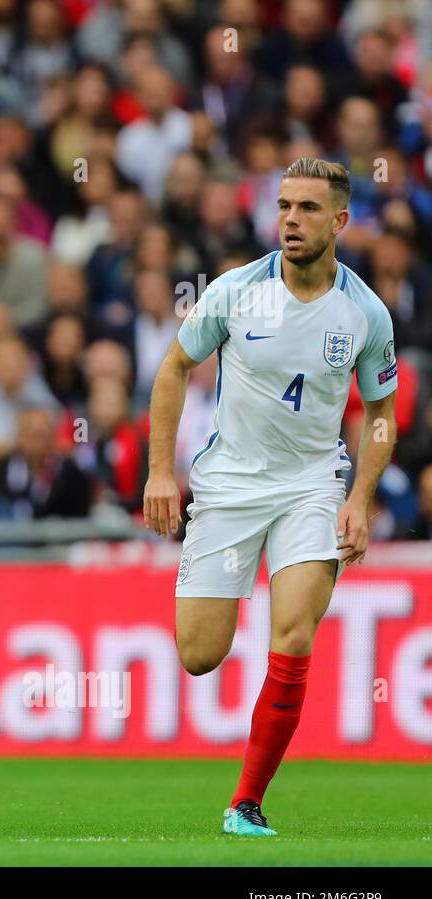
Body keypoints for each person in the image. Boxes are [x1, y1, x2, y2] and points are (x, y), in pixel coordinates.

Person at [143, 158, 399, 836]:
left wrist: (360, 498)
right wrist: (160, 471)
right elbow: (174, 367)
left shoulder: (365, 313)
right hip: (229, 485)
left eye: (309, 209)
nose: (291, 219)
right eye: (285, 205)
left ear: (340, 221)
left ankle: (246, 804)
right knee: (200, 655)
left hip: (312, 487)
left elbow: (381, 413)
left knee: (293, 636)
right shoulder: (234, 291)